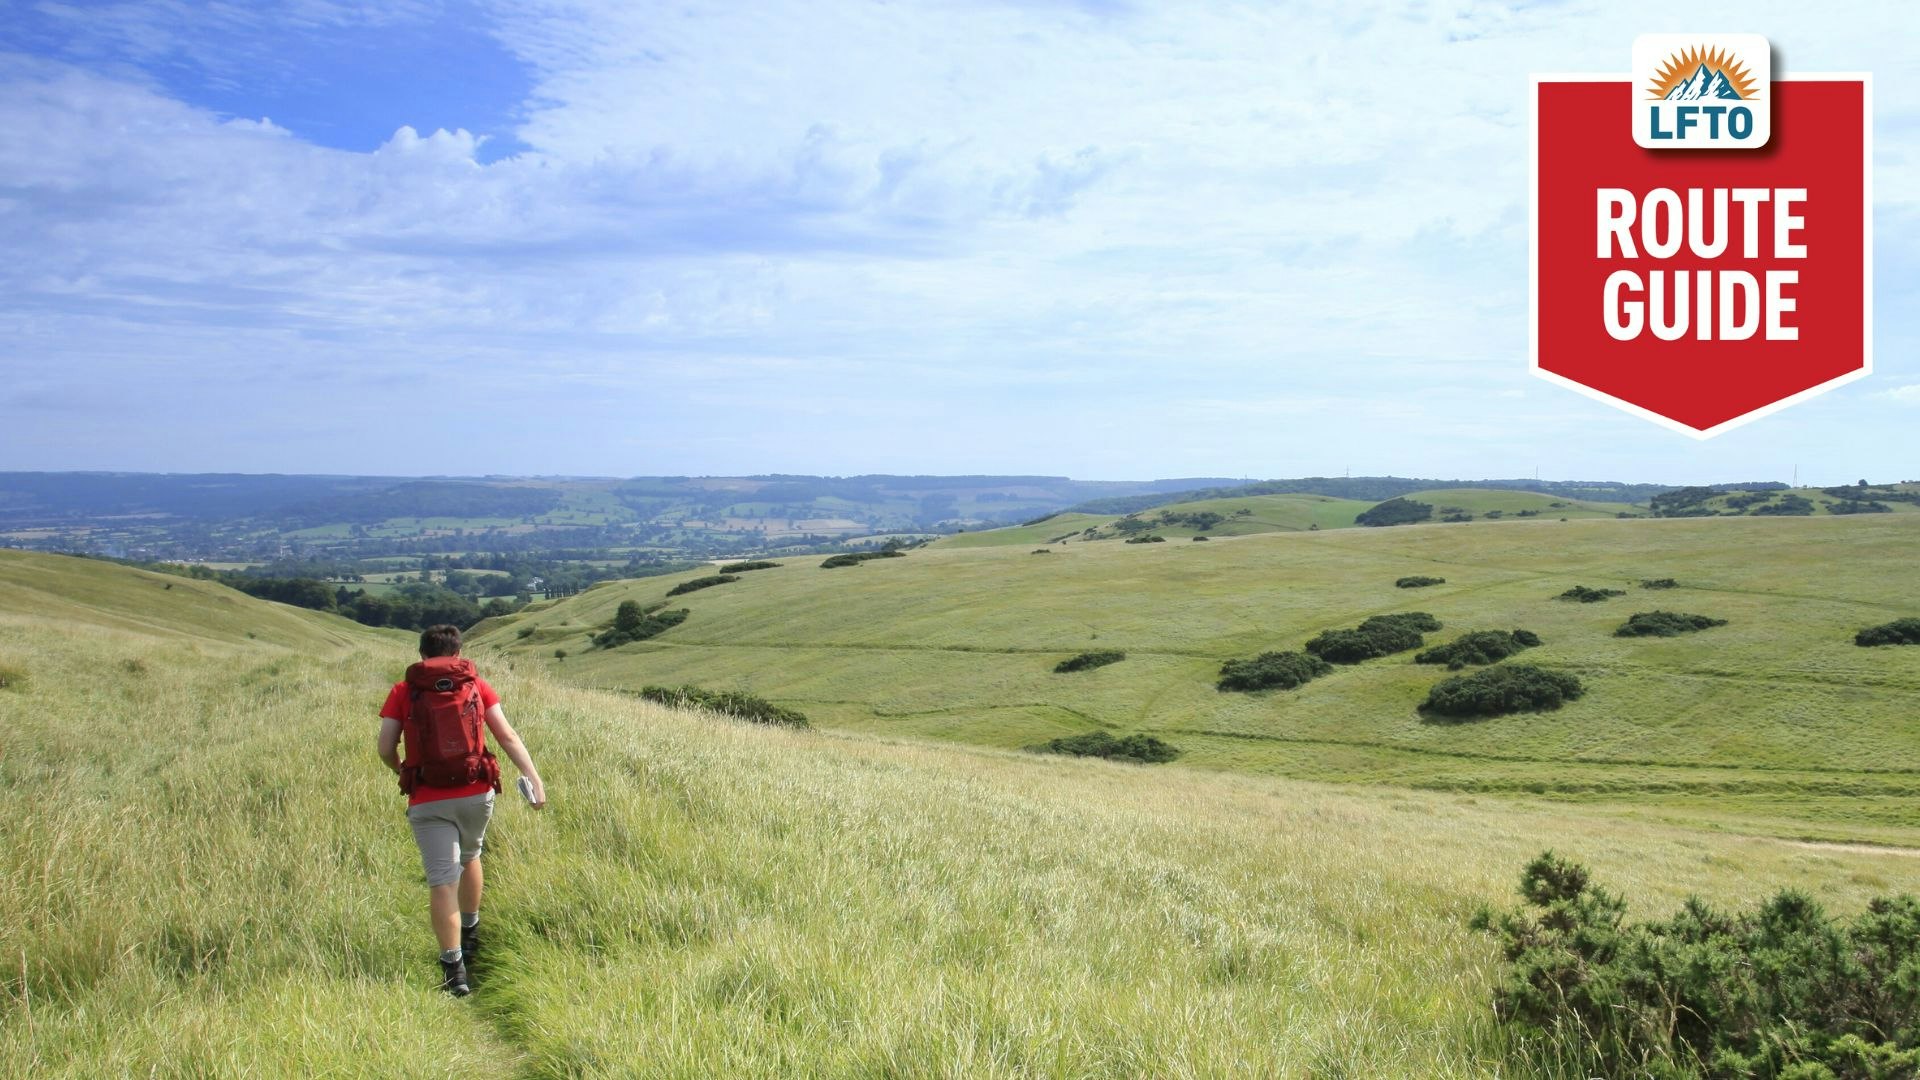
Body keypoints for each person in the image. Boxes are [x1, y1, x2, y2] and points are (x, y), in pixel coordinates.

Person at [377, 624, 546, 996]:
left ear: (421, 654)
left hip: (427, 798)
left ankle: (454, 971)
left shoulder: (403, 691)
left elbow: (385, 746)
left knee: (441, 880)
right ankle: (470, 934)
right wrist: (533, 777)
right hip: (476, 792)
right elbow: (507, 736)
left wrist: (402, 769)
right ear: (458, 653)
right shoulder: (476, 686)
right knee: (471, 856)